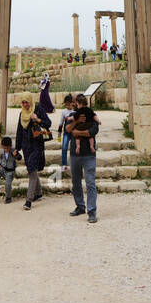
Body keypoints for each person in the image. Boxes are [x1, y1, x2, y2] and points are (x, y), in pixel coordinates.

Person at [66, 93, 100, 223]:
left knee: (90, 182)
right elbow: (68, 130)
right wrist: (76, 122)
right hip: (75, 155)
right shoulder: (72, 116)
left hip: (89, 155)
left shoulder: (91, 114)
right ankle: (80, 206)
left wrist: (78, 132)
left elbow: (93, 131)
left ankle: (91, 211)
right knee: (76, 183)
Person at [18, 105, 49, 210]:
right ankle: (38, 192)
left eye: (26, 102)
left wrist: (37, 119)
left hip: (37, 145)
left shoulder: (39, 110)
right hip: (26, 146)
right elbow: (20, 130)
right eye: (23, 102)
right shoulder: (22, 113)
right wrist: (17, 147)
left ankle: (28, 200)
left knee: (31, 168)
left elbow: (48, 123)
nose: (25, 104)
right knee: (32, 169)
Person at [0, 136, 18, 203]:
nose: (5, 149)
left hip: (10, 171)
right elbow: (1, 158)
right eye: (4, 148)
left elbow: (19, 158)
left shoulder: (13, 151)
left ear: (10, 146)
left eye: (7, 148)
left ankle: (8, 197)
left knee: (7, 185)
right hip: (3, 168)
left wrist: (16, 155)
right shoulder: (2, 151)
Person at [57, 93, 76, 173]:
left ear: (72, 103)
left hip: (74, 132)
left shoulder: (75, 111)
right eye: (66, 104)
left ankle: (75, 164)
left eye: (69, 104)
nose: (68, 106)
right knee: (64, 147)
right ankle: (64, 164)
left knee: (74, 148)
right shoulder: (64, 112)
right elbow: (61, 123)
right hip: (66, 132)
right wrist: (59, 133)